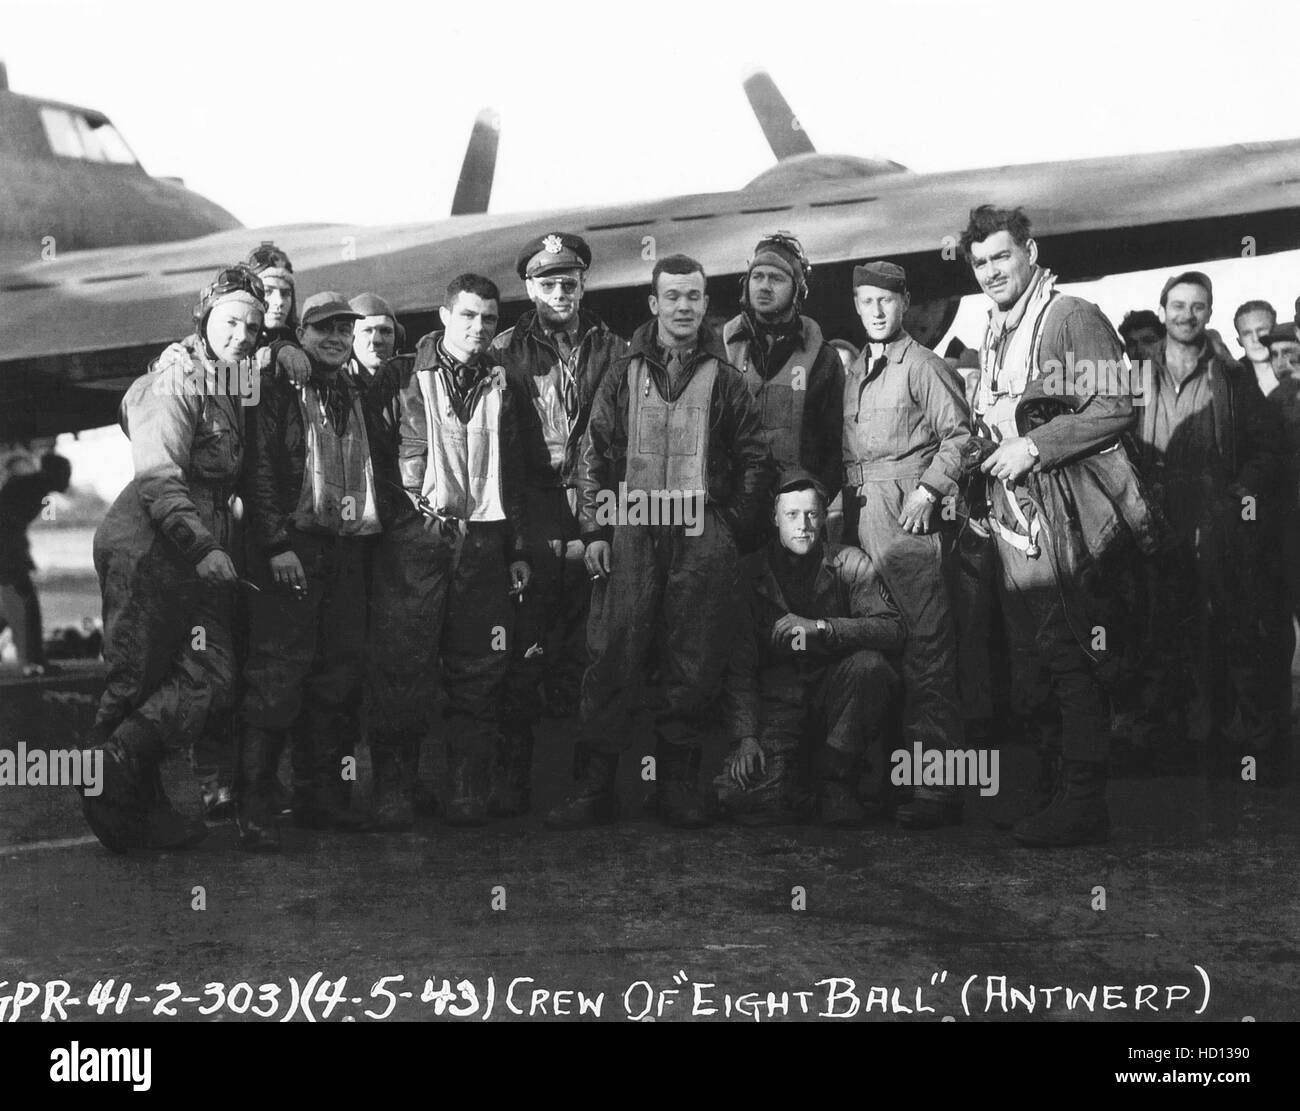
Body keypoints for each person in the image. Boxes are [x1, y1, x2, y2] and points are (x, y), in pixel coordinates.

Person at [545, 253, 776, 830]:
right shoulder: (623, 372)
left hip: (701, 530)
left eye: (693, 297)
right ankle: (594, 789)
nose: (683, 307)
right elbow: (593, 453)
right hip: (633, 527)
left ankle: (676, 786)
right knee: (612, 654)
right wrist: (596, 529)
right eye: (671, 296)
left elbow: (754, 457)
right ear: (654, 304)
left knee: (693, 661)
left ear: (705, 303)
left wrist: (733, 530)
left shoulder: (726, 378)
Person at [961, 205, 1162, 847]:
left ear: (1030, 251)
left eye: (1001, 257)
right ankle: (1049, 791)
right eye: (981, 262)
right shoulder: (996, 327)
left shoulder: (1070, 316)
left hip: (1068, 511)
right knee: (1034, 657)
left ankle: (1082, 802)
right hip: (1017, 515)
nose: (992, 271)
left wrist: (1035, 446)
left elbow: (1116, 405)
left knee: (1073, 651)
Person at [80, 265, 265, 852]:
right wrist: (203, 545)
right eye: (231, 321)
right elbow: (158, 479)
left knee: (211, 674)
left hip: (196, 550)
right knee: (136, 679)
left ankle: (122, 771)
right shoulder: (175, 380)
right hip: (152, 548)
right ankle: (123, 814)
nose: (242, 334)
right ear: (204, 318)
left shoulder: (229, 387)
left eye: (253, 327)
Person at [367, 274, 533, 829]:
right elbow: (373, 460)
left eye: (488, 319)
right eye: (467, 316)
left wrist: (515, 549)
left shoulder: (505, 383)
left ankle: (466, 791)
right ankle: (395, 792)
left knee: (479, 669)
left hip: (484, 543)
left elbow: (518, 475)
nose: (479, 328)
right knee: (403, 665)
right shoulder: (398, 379)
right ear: (443, 316)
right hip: (416, 544)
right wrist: (402, 528)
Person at [235, 292, 384, 850]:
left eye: (344, 329)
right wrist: (275, 544)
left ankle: (321, 798)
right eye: (324, 329)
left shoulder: (354, 388)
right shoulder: (278, 384)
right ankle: (253, 809)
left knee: (338, 674)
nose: (336, 338)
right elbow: (261, 468)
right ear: (301, 333)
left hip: (344, 547)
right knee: (278, 672)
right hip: (292, 544)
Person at [1132, 271, 1283, 780]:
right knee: (1157, 633)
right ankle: (1160, 740)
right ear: (1162, 309)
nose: (1186, 315)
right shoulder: (1133, 374)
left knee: (1233, 632)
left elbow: (1268, 450)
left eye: (1197, 307)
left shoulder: (1232, 379)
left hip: (1214, 523)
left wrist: (1238, 496)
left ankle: (1244, 744)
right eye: (1178, 305)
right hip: (1152, 519)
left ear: (1209, 313)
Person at [842, 260, 972, 830]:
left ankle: (937, 790)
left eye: (886, 301)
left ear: (905, 304)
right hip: (862, 512)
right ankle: (887, 781)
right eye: (866, 301)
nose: (875, 311)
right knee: (882, 645)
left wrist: (927, 490)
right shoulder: (856, 372)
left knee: (927, 651)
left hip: (908, 519)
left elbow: (960, 437)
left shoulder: (922, 366)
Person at [490, 233, 626, 754]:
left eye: (569, 282)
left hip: (596, 499)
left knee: (592, 635)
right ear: (529, 288)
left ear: (584, 284)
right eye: (547, 284)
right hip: (534, 500)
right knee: (527, 633)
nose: (560, 293)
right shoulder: (503, 349)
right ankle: (516, 770)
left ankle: (580, 768)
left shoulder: (614, 348)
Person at [715, 469, 902, 826]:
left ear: (823, 518)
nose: (803, 525)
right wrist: (746, 736)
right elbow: (740, 665)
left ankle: (835, 776)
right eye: (792, 515)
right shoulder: (751, 572)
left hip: (835, 697)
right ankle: (805, 781)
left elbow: (892, 629)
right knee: (735, 794)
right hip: (781, 704)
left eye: (812, 514)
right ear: (774, 518)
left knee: (871, 667)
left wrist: (821, 628)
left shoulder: (849, 563)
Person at [720, 232, 843, 497]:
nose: (764, 286)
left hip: (798, 509)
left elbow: (836, 446)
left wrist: (817, 500)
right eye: (757, 276)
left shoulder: (823, 359)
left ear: (797, 289)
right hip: (736, 508)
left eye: (776, 278)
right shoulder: (722, 351)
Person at [0, 452, 72, 676]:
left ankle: (35, 658)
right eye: (65, 474)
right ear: (52, 472)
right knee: (25, 604)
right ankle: (34, 659)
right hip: (7, 551)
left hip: (10, 550)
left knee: (16, 605)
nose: (67, 480)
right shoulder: (33, 485)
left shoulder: (37, 488)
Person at [1234, 300, 1278, 394]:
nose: (1256, 339)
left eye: (1261, 330)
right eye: (1247, 333)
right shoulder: (1231, 380)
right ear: (1240, 341)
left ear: (1276, 331)